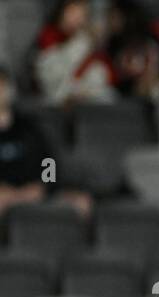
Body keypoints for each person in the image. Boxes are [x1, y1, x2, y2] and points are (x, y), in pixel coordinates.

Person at [33, 0, 114, 105]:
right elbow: (51, 76)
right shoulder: (48, 36)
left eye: (82, 13)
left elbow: (102, 74)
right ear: (62, 11)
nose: (77, 18)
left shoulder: (90, 41)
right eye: (72, 11)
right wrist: (83, 41)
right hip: (54, 100)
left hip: (87, 101)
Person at [0, 69, 51, 215]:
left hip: (30, 190)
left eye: (2, 86)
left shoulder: (29, 127)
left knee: (81, 202)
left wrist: (45, 185)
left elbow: (50, 161)